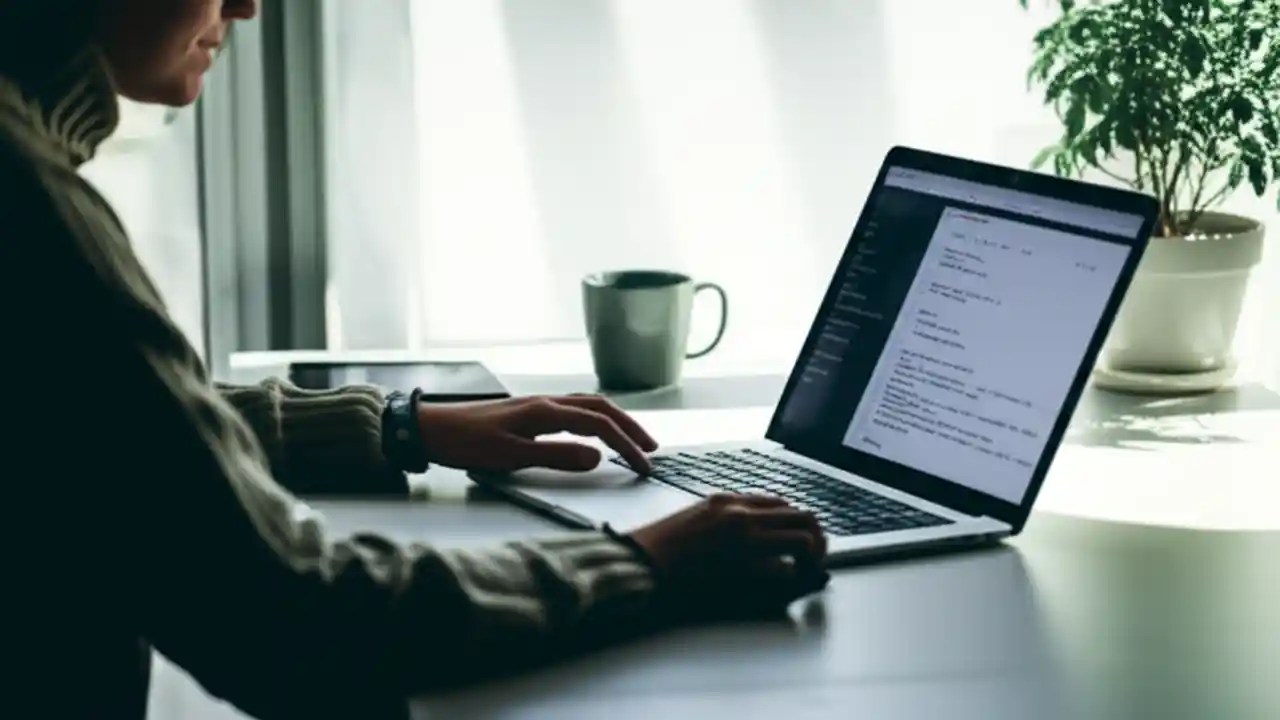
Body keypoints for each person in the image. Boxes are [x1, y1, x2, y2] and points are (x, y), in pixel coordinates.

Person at [1, 1, 829, 718]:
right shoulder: (30, 207)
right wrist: (645, 561)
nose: (248, 7)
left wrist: (399, 425)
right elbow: (298, 617)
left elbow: (104, 424)